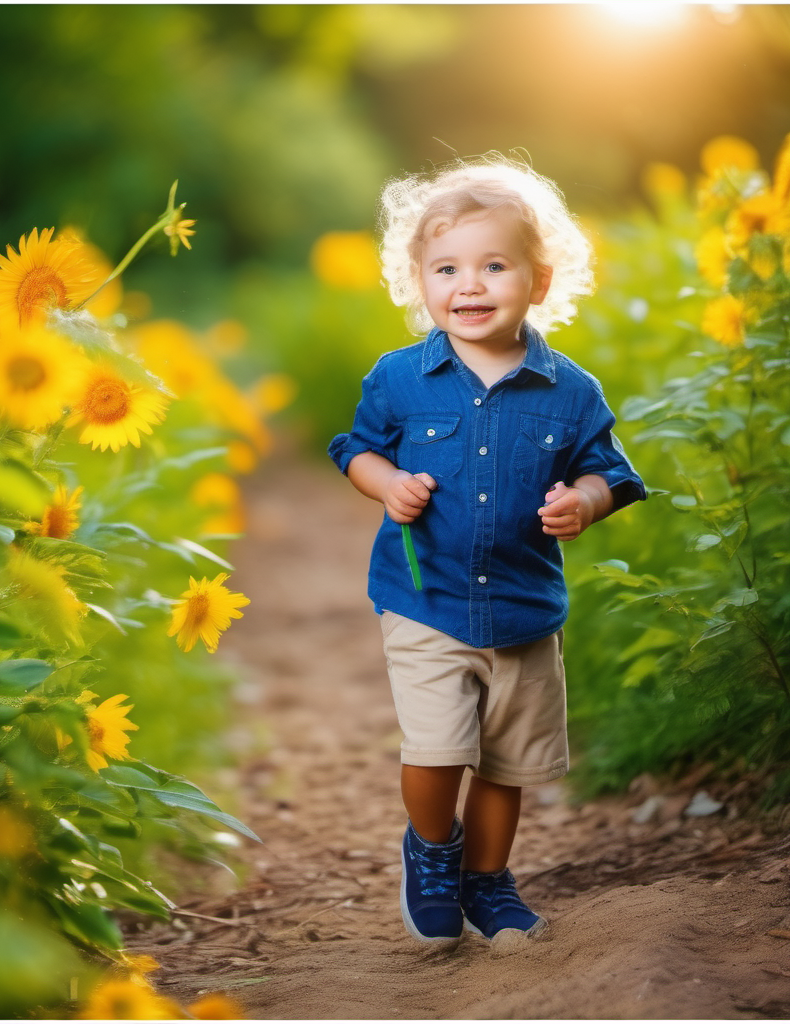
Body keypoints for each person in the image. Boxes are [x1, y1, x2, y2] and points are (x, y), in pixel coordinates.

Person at [328, 157, 645, 951]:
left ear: (538, 281)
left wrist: (585, 501)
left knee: (506, 766)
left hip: (524, 608)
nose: (469, 286)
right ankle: (433, 851)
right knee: (438, 751)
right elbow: (356, 449)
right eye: (447, 269)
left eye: (493, 266)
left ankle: (489, 879)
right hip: (425, 597)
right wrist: (387, 481)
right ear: (420, 282)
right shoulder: (400, 379)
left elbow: (610, 471)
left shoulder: (571, 391)